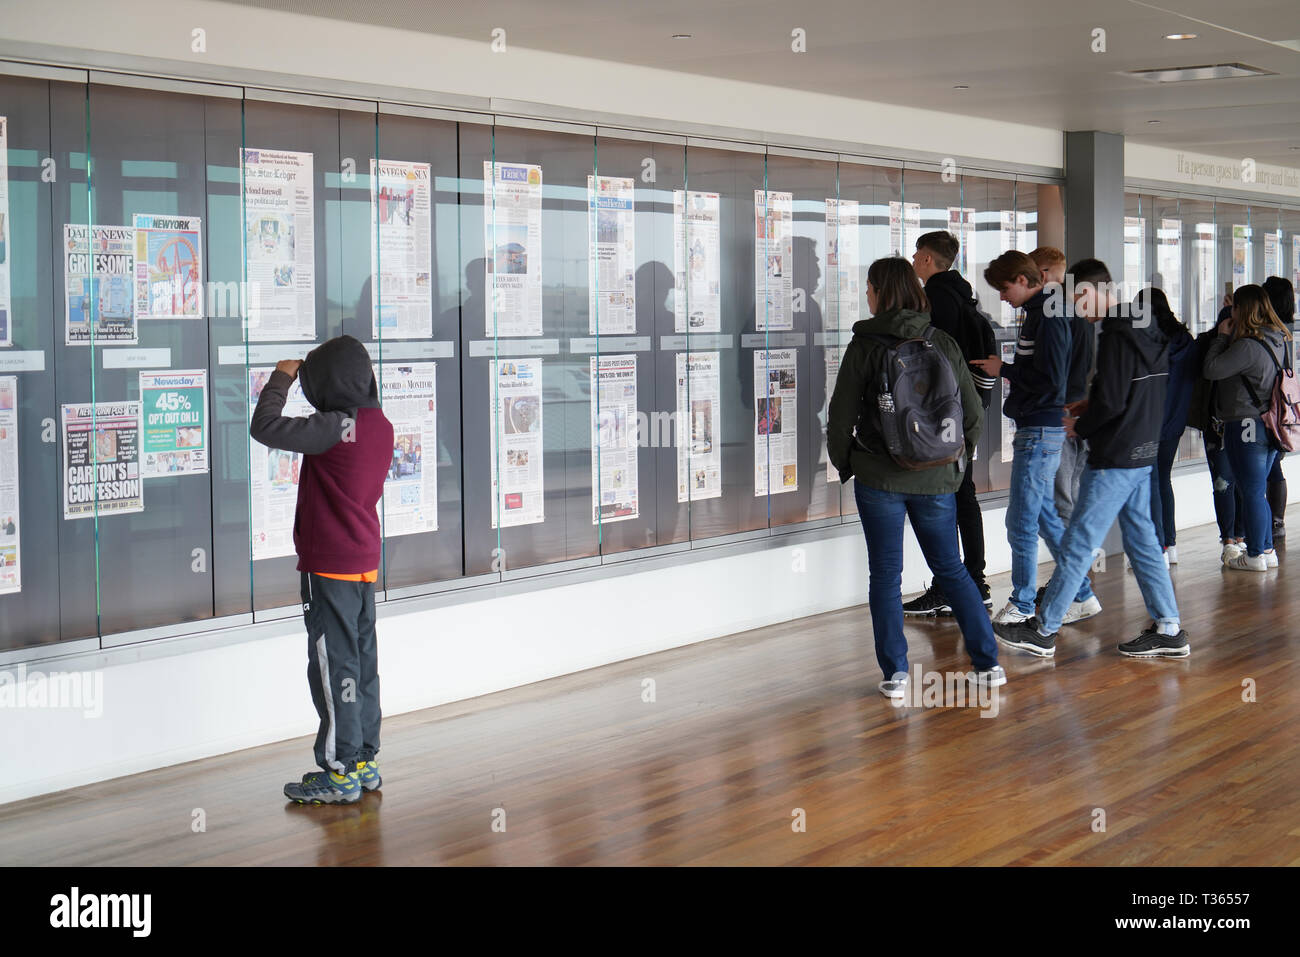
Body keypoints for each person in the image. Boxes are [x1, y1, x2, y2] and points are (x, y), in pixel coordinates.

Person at [827, 256, 1005, 699]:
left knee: (886, 574)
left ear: (879, 292)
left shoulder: (864, 345)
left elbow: (839, 417)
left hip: (879, 479)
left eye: (868, 288)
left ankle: (897, 674)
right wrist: (955, 460)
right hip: (937, 478)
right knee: (951, 567)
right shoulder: (940, 340)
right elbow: (973, 409)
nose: (865, 296)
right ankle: (988, 664)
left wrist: (849, 464)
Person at [995, 259, 1188, 658]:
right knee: (1142, 540)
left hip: (1115, 455)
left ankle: (1044, 629)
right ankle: (1168, 627)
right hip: (1142, 450)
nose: (1076, 310)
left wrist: (1081, 427)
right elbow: (1134, 393)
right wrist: (1090, 405)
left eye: (1076, 299)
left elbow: (1115, 400)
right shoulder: (1146, 328)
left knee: (1080, 541)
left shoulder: (1116, 334)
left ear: (1086, 292)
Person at [250, 334, 395, 804]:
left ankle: (338, 772)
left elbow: (265, 426)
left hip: (329, 567)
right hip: (364, 564)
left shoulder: (337, 426)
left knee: (334, 668)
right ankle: (363, 761)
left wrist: (283, 376)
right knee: (362, 665)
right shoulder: (379, 424)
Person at [971, 251, 1099, 628]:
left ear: (1026, 280)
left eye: (1005, 287)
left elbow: (1051, 378)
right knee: (1042, 515)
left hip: (1041, 429)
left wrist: (1004, 369)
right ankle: (1080, 592)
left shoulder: (1050, 314)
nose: (1002, 296)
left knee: (1021, 522)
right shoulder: (1044, 311)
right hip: (1039, 426)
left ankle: (1023, 602)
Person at [903, 230, 996, 615]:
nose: (912, 260)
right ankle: (974, 581)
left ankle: (950, 586)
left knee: (946, 497)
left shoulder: (936, 300)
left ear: (927, 259)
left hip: (943, 414)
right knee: (964, 494)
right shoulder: (963, 294)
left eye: (915, 254)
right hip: (964, 412)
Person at [1203, 284, 1292, 571]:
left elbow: (1212, 369)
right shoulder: (1280, 339)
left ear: (1242, 310)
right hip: (1271, 424)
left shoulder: (1246, 346)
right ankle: (1266, 550)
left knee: (1250, 491)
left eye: (1235, 308)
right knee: (1257, 489)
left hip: (1245, 424)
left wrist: (1221, 337)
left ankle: (1254, 554)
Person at [1029, 246, 1094, 527]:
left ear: (1042, 275)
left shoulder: (1054, 312)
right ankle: (1080, 564)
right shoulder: (1079, 312)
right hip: (1080, 405)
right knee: (1074, 492)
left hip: (1062, 412)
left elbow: (1053, 371)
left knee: (1062, 498)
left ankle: (1072, 569)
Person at [1141, 287, 1196, 563]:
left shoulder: (1147, 339)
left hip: (1148, 421)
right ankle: (1170, 546)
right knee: (1163, 480)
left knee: (1150, 483)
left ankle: (1158, 546)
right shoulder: (1185, 340)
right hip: (1175, 422)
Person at [1262, 276, 1295, 539]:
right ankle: (1277, 522)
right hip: (1282, 404)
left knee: (1270, 466)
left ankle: (1268, 523)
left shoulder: (1272, 330)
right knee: (1275, 464)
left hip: (1269, 404)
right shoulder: (1288, 327)